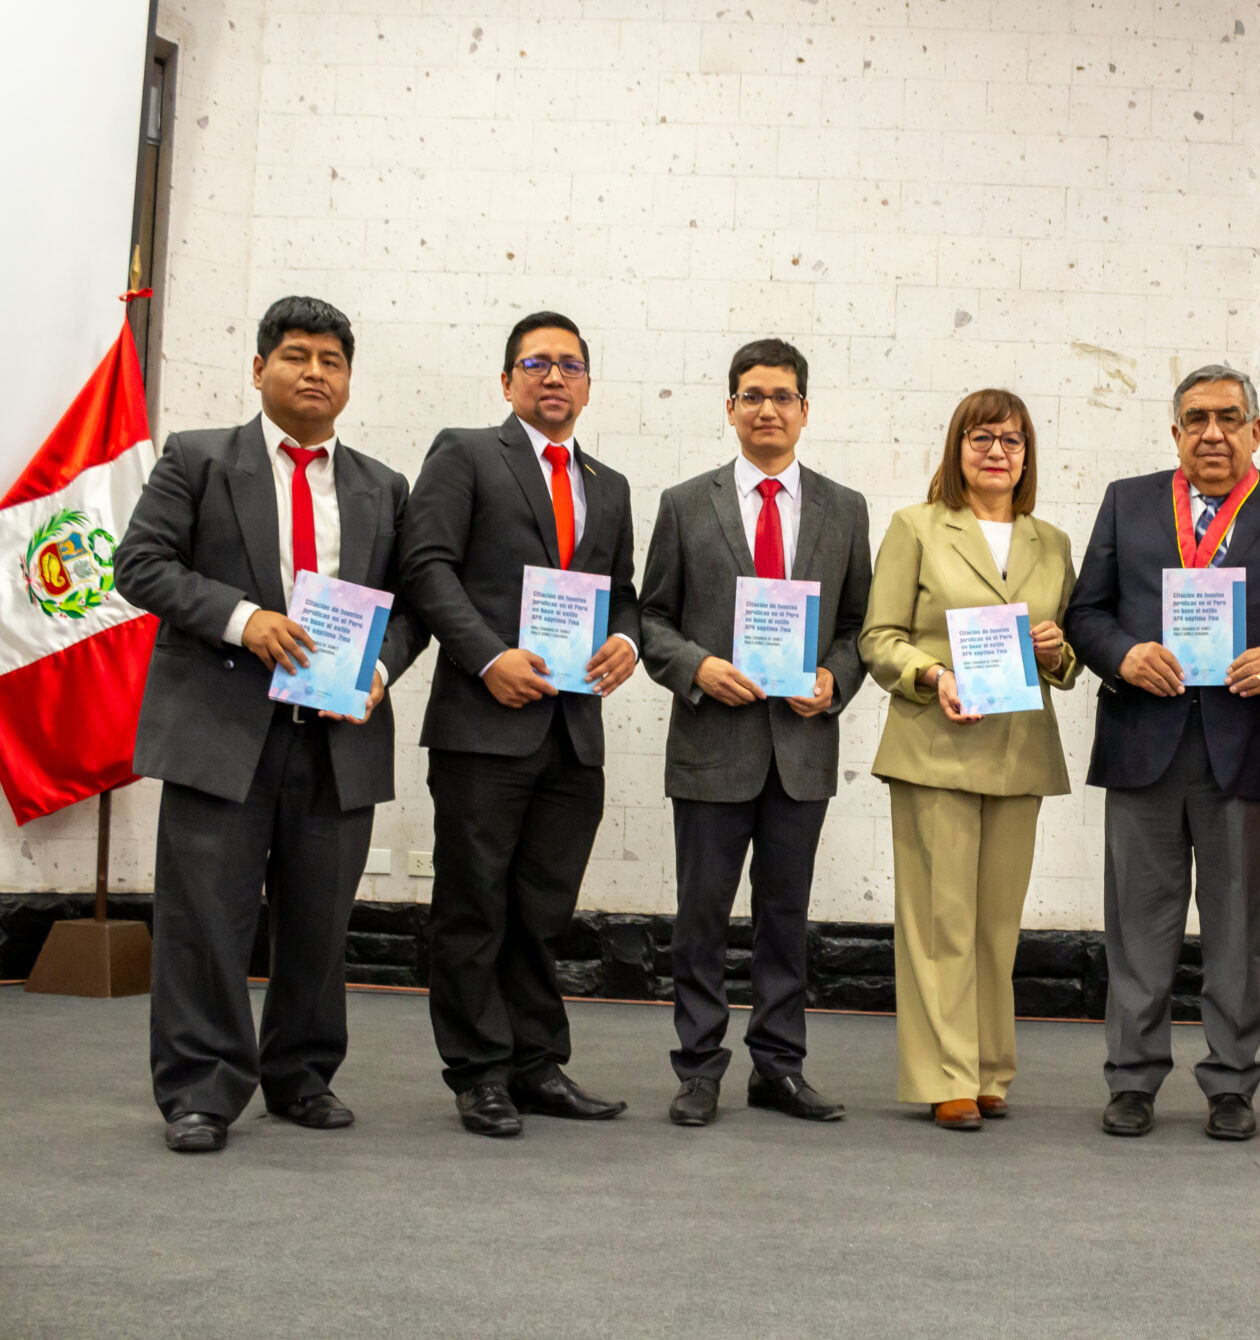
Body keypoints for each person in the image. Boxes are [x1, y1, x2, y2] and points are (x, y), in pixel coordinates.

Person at [115, 296, 425, 1152]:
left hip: (336, 734)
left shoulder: (384, 487)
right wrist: (243, 619)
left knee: (319, 921)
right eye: (296, 355)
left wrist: (379, 671)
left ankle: (302, 1076)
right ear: (259, 369)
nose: (314, 372)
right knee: (205, 921)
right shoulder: (199, 459)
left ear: (349, 380)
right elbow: (139, 564)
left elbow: (411, 608)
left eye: (332, 360)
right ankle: (200, 1091)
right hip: (221, 729)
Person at [1067, 365, 1260, 1142]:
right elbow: (1086, 613)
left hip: (1246, 745)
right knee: (1136, 926)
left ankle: (1232, 1083)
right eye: (1197, 419)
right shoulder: (1129, 500)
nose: (1213, 433)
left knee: (1237, 927)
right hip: (1143, 741)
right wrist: (1123, 654)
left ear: (1256, 430)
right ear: (1175, 431)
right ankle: (1132, 1078)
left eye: (1229, 418)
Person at [399, 311, 641, 1138]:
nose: (554, 376)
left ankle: (537, 1064)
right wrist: (486, 657)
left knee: (543, 912)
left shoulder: (609, 485)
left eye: (570, 364)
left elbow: (624, 597)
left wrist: (626, 643)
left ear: (587, 386)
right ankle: (479, 1073)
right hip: (483, 723)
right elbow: (426, 567)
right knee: (474, 908)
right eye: (536, 363)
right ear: (507, 381)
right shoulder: (466, 454)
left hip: (573, 733)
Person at [639, 339, 871, 1128]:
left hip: (801, 749)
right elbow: (652, 619)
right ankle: (699, 1069)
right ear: (730, 408)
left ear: (805, 410)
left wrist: (834, 679)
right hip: (712, 745)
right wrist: (697, 668)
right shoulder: (684, 504)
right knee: (701, 919)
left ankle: (779, 1067)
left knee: (785, 919)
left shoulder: (845, 508)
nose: (767, 409)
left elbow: (858, 625)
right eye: (752, 396)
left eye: (782, 396)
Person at [860, 389, 1080, 1131]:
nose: (996, 452)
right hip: (936, 747)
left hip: (1020, 753)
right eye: (981, 437)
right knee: (940, 922)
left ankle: (988, 1069)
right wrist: (933, 675)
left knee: (996, 928)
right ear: (957, 449)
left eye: (1012, 440)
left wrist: (1057, 650)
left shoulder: (1052, 542)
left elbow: (1066, 660)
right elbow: (879, 637)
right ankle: (944, 1075)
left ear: (1027, 456)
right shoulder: (915, 527)